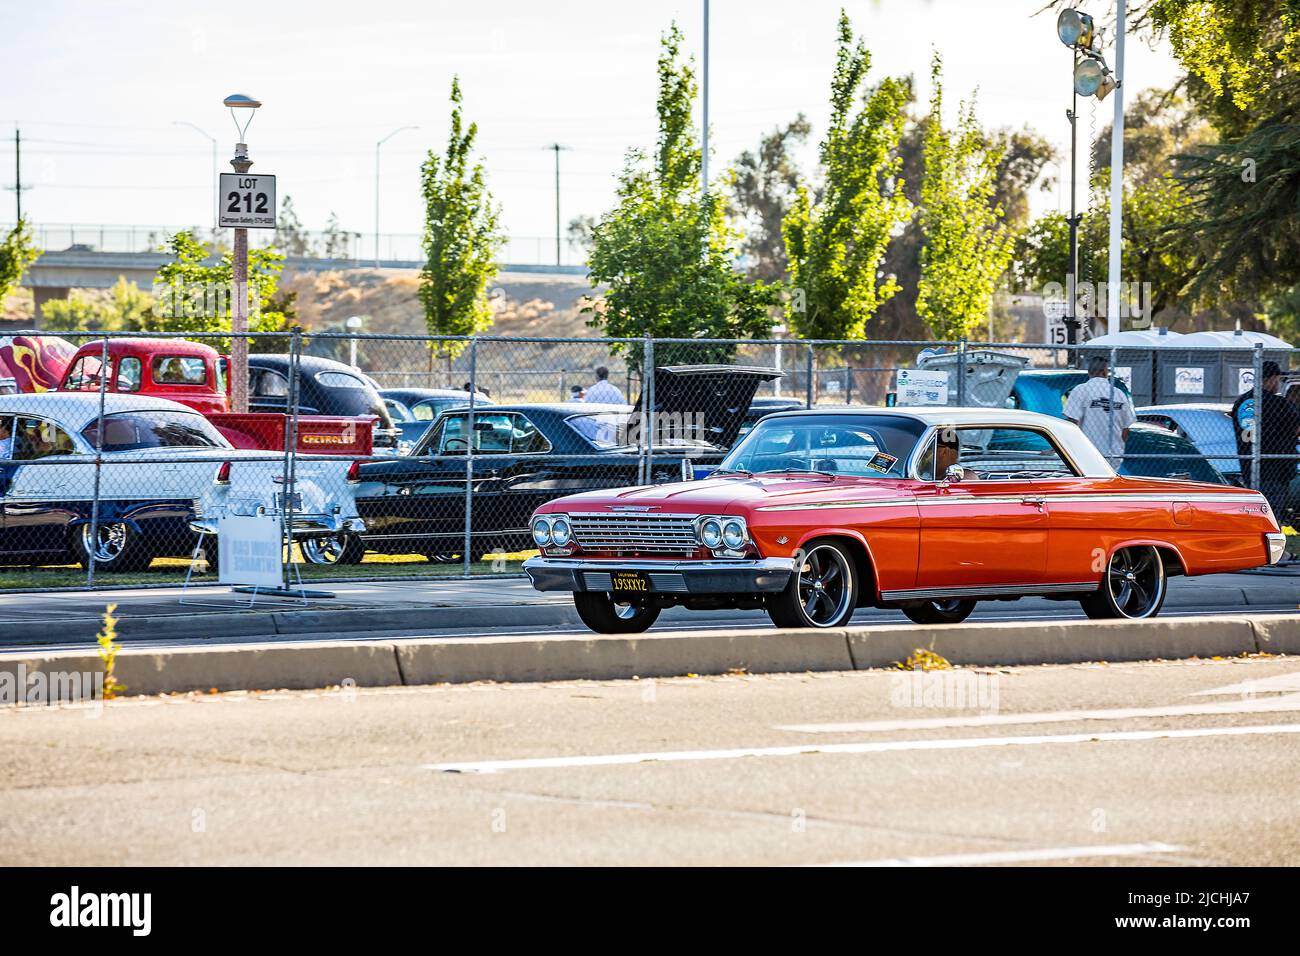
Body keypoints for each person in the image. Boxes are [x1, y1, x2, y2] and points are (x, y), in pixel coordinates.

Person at [1232, 361, 1300, 527]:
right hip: (1276, 469)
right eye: (1278, 379)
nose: (1278, 384)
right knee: (1271, 517)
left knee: (1255, 516)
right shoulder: (1279, 404)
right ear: (1272, 379)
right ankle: (1274, 551)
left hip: (1249, 468)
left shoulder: (1242, 401)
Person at [1065, 356, 1135, 463]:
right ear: (1105, 372)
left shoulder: (1080, 390)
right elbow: (1126, 428)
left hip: (1088, 453)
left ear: (1089, 372)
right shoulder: (1118, 393)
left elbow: (1072, 422)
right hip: (1115, 454)